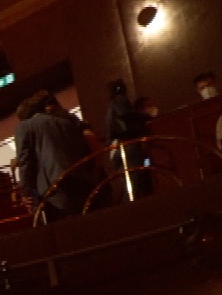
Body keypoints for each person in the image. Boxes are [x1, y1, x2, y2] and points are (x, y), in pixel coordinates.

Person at [14, 91, 93, 219]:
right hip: (80, 180)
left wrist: (26, 193)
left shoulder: (25, 126)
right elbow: (83, 149)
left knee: (65, 228)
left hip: (53, 185)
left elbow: (25, 161)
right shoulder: (66, 123)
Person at [104, 78, 155, 199]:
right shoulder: (119, 100)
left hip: (115, 148)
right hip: (125, 146)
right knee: (134, 186)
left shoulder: (110, 107)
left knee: (130, 184)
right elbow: (125, 113)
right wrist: (146, 116)